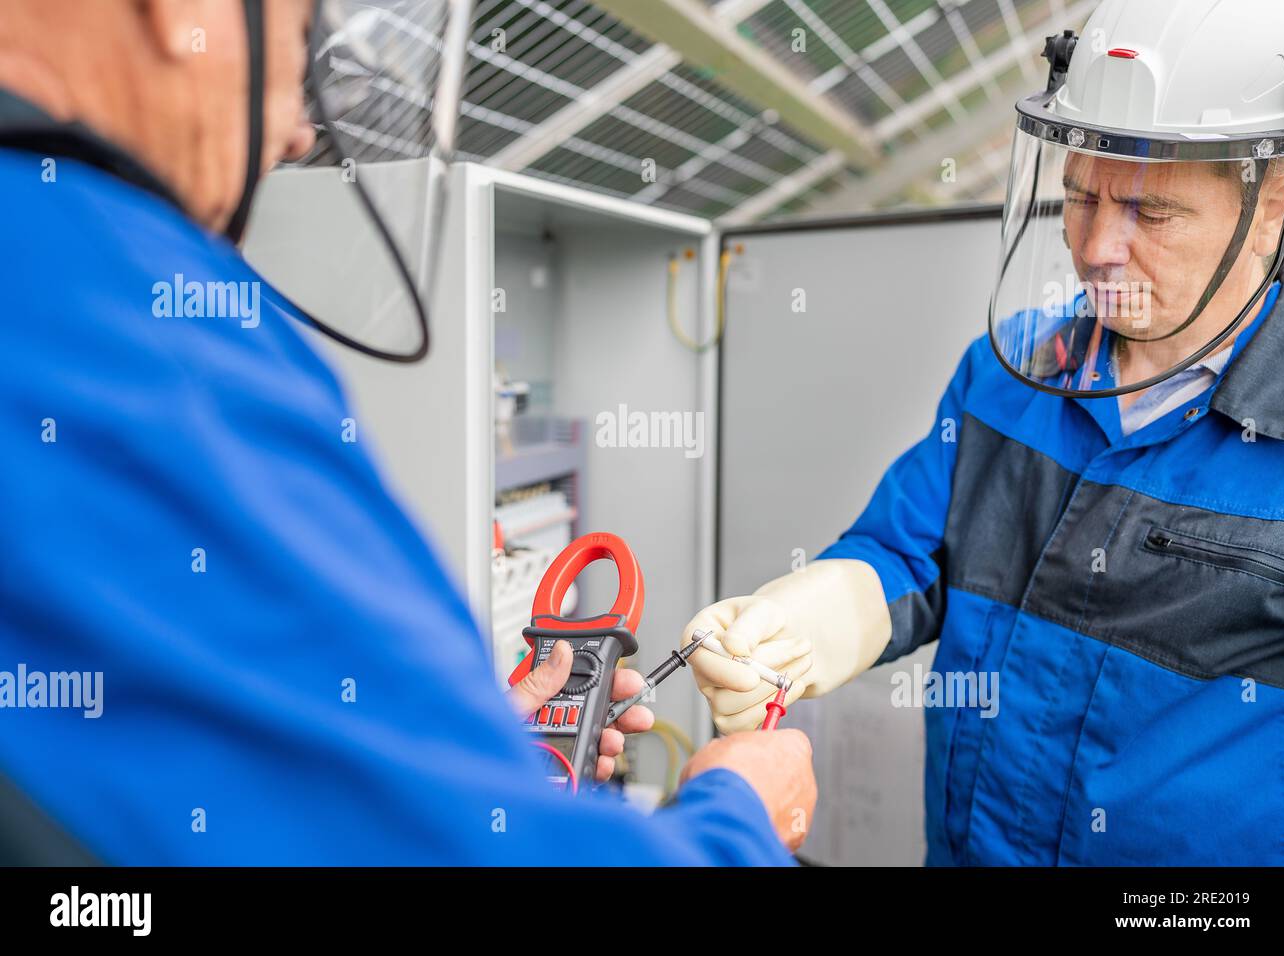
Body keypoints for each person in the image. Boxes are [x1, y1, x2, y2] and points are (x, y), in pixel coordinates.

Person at [0, 0, 816, 864]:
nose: (297, 134)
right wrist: (741, 815)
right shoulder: (126, 314)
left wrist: (443, 747)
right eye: (296, 40)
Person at [685, 0, 1284, 866]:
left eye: (1151, 214)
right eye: (1080, 196)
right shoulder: (1007, 372)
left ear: (1270, 203)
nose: (1096, 249)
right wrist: (818, 614)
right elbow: (914, 552)